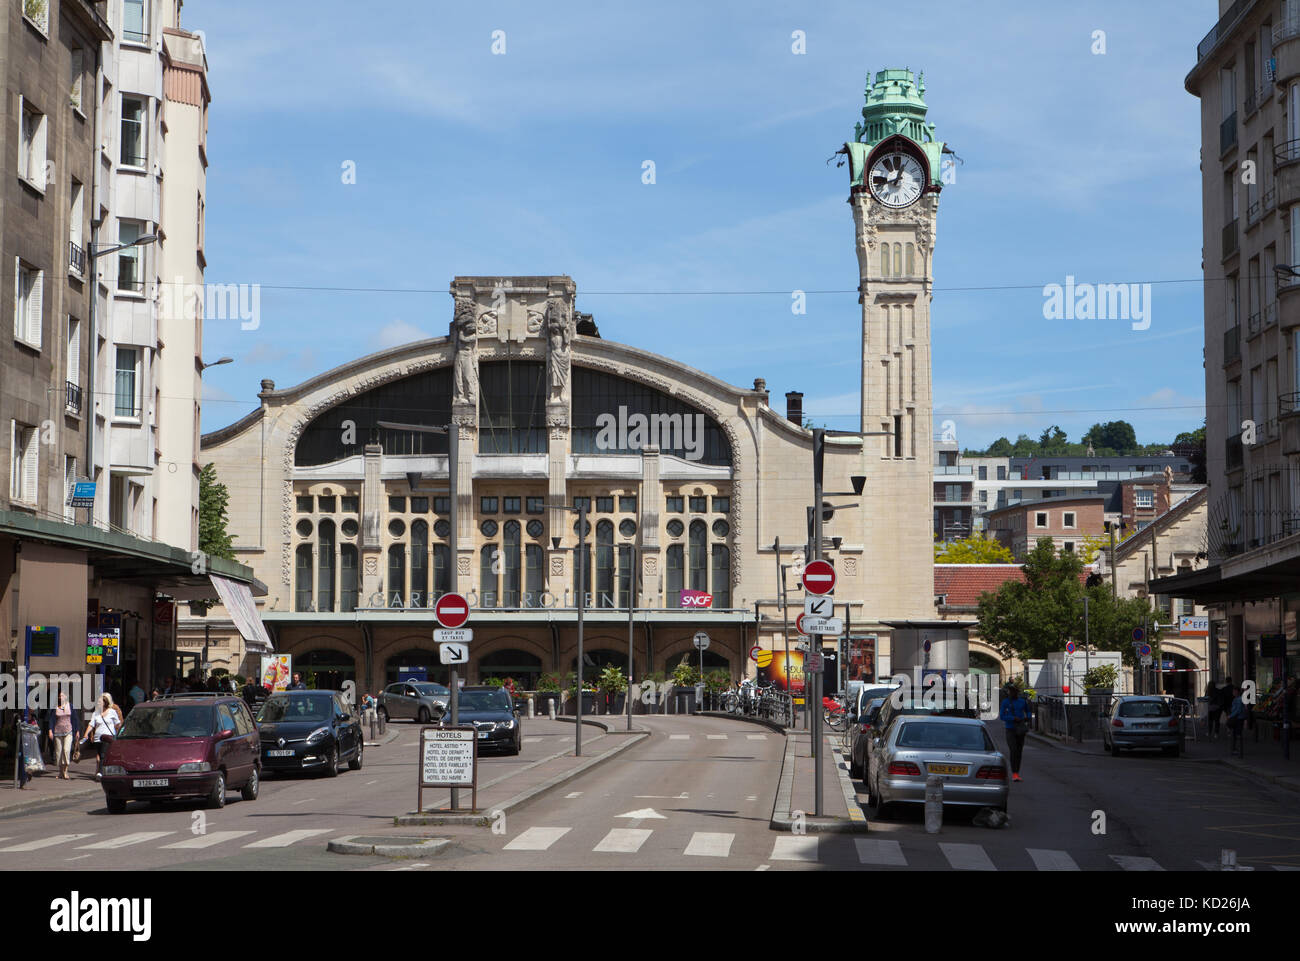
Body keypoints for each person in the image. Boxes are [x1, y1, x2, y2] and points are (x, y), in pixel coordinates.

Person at [83, 693, 123, 780]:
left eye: (100, 702)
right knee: (100, 756)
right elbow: (91, 724)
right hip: (98, 739)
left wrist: (119, 733)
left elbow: (118, 724)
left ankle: (100, 773)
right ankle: (106, 772)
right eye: (98, 702)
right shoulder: (96, 713)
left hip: (108, 738)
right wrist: (86, 734)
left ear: (105, 702)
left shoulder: (112, 712)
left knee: (102, 755)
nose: (98, 703)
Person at [999, 683, 1031, 782]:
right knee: (1013, 750)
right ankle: (1014, 773)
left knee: (1019, 751)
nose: (1010, 693)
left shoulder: (1022, 701)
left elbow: (1028, 711)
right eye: (1009, 691)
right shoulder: (1005, 702)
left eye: (1012, 691)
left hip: (1020, 729)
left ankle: (1017, 772)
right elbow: (1002, 716)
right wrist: (1013, 718)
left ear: (1016, 692)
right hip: (1010, 729)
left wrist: (1027, 717)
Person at [45, 690, 80, 780]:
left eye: (62, 696)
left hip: (69, 731)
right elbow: (51, 719)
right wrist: (50, 730)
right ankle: (60, 772)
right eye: (59, 696)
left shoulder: (70, 706)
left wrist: (77, 731)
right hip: (57, 732)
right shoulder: (55, 707)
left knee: (66, 750)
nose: (60, 697)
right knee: (59, 752)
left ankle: (66, 771)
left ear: (66, 697)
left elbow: (75, 719)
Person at [1227, 685, 1247, 756]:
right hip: (1238, 718)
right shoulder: (1236, 699)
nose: (1233, 692)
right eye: (1233, 691)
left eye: (1235, 691)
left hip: (1238, 718)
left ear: (1238, 692)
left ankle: (1237, 750)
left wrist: (1230, 716)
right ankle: (1236, 750)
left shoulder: (1239, 699)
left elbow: (1238, 710)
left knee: (1237, 734)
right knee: (1236, 734)